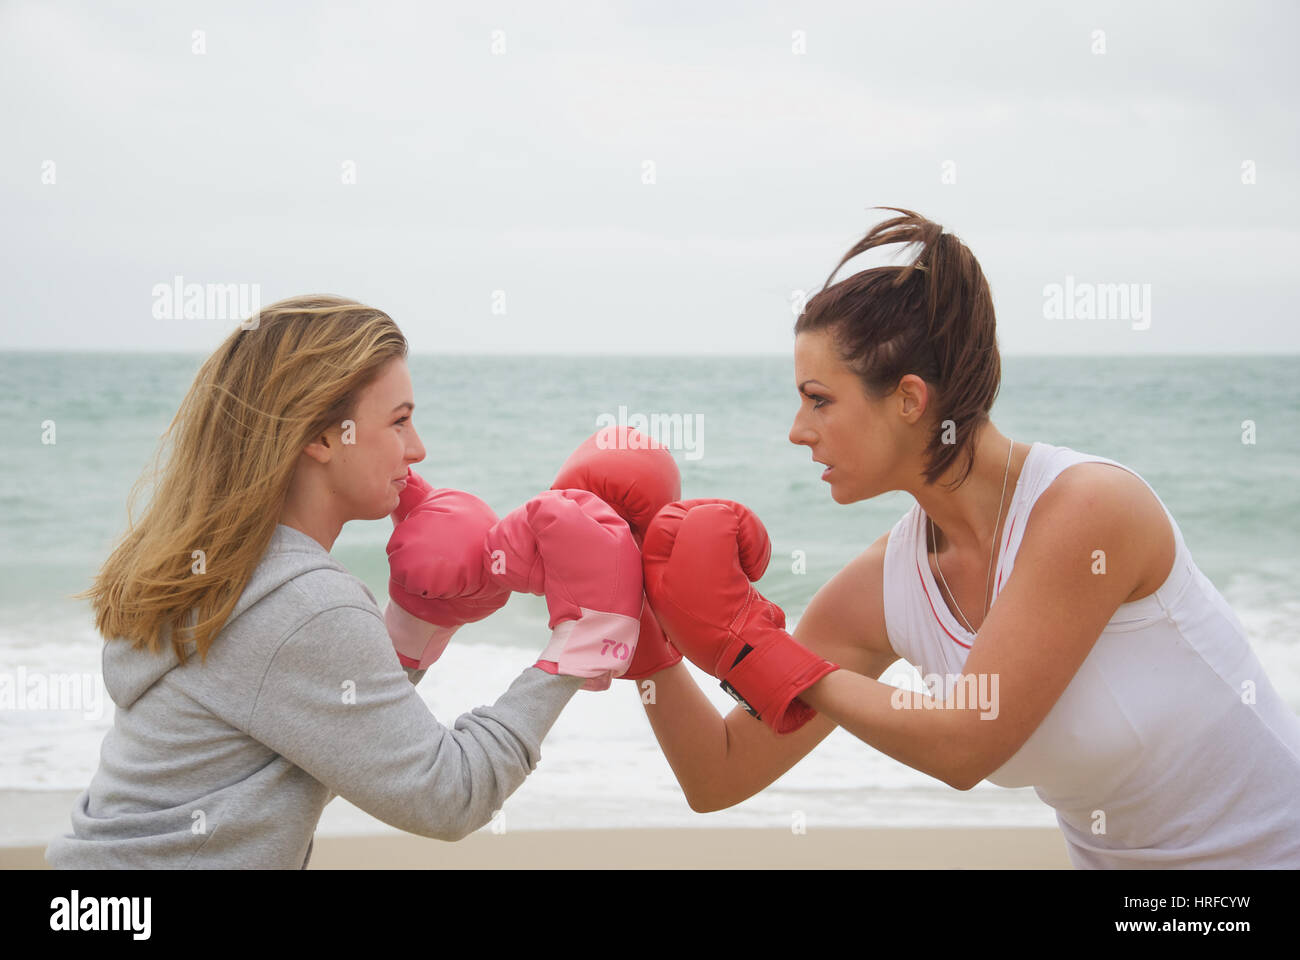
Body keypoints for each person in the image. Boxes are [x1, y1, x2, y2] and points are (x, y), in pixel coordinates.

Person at [630, 208, 1300, 868]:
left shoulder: (1089, 511)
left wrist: (762, 652)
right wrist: (641, 620)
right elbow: (719, 776)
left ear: (909, 399)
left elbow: (965, 745)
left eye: (819, 399)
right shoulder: (883, 587)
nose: (797, 430)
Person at [46, 295, 640, 869]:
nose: (418, 449)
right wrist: (580, 645)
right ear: (323, 436)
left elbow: (317, 730)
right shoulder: (305, 604)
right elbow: (450, 795)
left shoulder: (228, 576)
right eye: (399, 421)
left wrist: (414, 627)